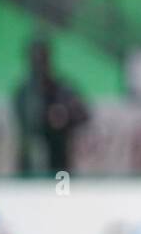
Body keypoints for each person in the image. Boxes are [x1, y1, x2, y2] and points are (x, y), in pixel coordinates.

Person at [13, 39, 90, 176]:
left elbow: (84, 115)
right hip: (30, 166)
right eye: (35, 59)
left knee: (62, 194)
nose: (39, 64)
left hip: (59, 164)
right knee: (31, 196)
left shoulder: (62, 89)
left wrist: (65, 116)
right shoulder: (24, 92)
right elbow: (25, 124)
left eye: (42, 58)